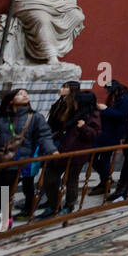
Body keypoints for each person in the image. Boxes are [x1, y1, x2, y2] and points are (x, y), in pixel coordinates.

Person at [0, 88, 56, 223]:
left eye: (26, 93)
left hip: (20, 159)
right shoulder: (1, 118)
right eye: (20, 94)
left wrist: (51, 150)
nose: (25, 95)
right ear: (11, 100)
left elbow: (44, 135)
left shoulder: (35, 117)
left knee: (7, 191)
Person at [42, 85, 100, 216]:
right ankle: (54, 204)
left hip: (77, 153)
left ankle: (69, 205)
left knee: (71, 181)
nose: (74, 102)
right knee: (50, 178)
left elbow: (95, 134)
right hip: (64, 149)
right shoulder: (73, 112)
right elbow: (64, 128)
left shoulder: (92, 115)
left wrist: (84, 127)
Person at [90, 81, 128, 195]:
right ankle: (106, 178)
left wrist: (105, 109)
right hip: (104, 132)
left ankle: (106, 181)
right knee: (91, 156)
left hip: (113, 133)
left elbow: (121, 115)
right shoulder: (116, 96)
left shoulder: (126, 99)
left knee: (104, 159)